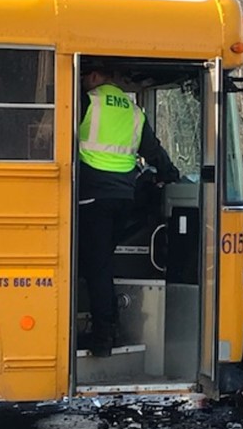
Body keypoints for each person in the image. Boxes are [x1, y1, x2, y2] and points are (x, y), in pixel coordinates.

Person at [77, 64, 179, 357]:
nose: (83, 82)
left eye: (85, 77)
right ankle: (106, 322)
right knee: (100, 262)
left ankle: (104, 334)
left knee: (95, 266)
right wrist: (170, 174)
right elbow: (154, 150)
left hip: (91, 195)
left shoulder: (87, 101)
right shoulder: (134, 111)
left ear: (96, 75)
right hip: (123, 198)